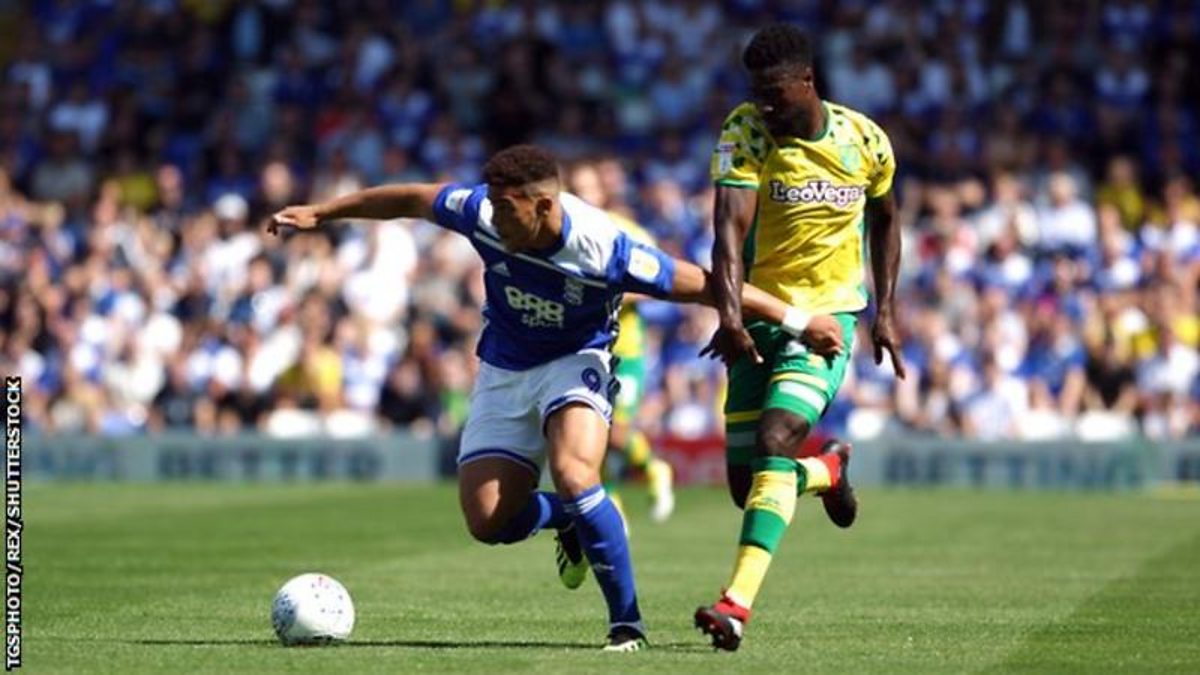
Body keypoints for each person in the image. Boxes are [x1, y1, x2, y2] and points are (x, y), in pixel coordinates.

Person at [269, 144, 847, 652]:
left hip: (577, 363)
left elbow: (701, 282)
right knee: (488, 521)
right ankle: (568, 521)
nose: (491, 214)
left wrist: (798, 319)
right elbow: (415, 199)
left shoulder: (604, 247)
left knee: (576, 473)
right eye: (490, 203)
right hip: (503, 368)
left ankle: (627, 626)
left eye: (505, 207)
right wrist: (324, 212)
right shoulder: (483, 213)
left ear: (543, 205)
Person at [695, 25, 907, 651]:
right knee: (750, 486)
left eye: (774, 92)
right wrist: (731, 316)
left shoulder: (865, 140)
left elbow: (888, 221)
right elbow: (728, 232)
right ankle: (828, 469)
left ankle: (735, 606)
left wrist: (886, 311)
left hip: (829, 319)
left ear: (807, 82)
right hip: (760, 312)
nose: (764, 104)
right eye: (756, 92)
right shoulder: (746, 131)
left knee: (774, 439)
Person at [567, 160, 675, 525]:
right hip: (579, 351)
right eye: (575, 189)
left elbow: (658, 285)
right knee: (587, 441)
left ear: (602, 191)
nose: (582, 196)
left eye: (588, 188)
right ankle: (613, 514)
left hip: (623, 350)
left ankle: (654, 468)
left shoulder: (628, 232)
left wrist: (601, 295)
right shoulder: (561, 237)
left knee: (617, 435)